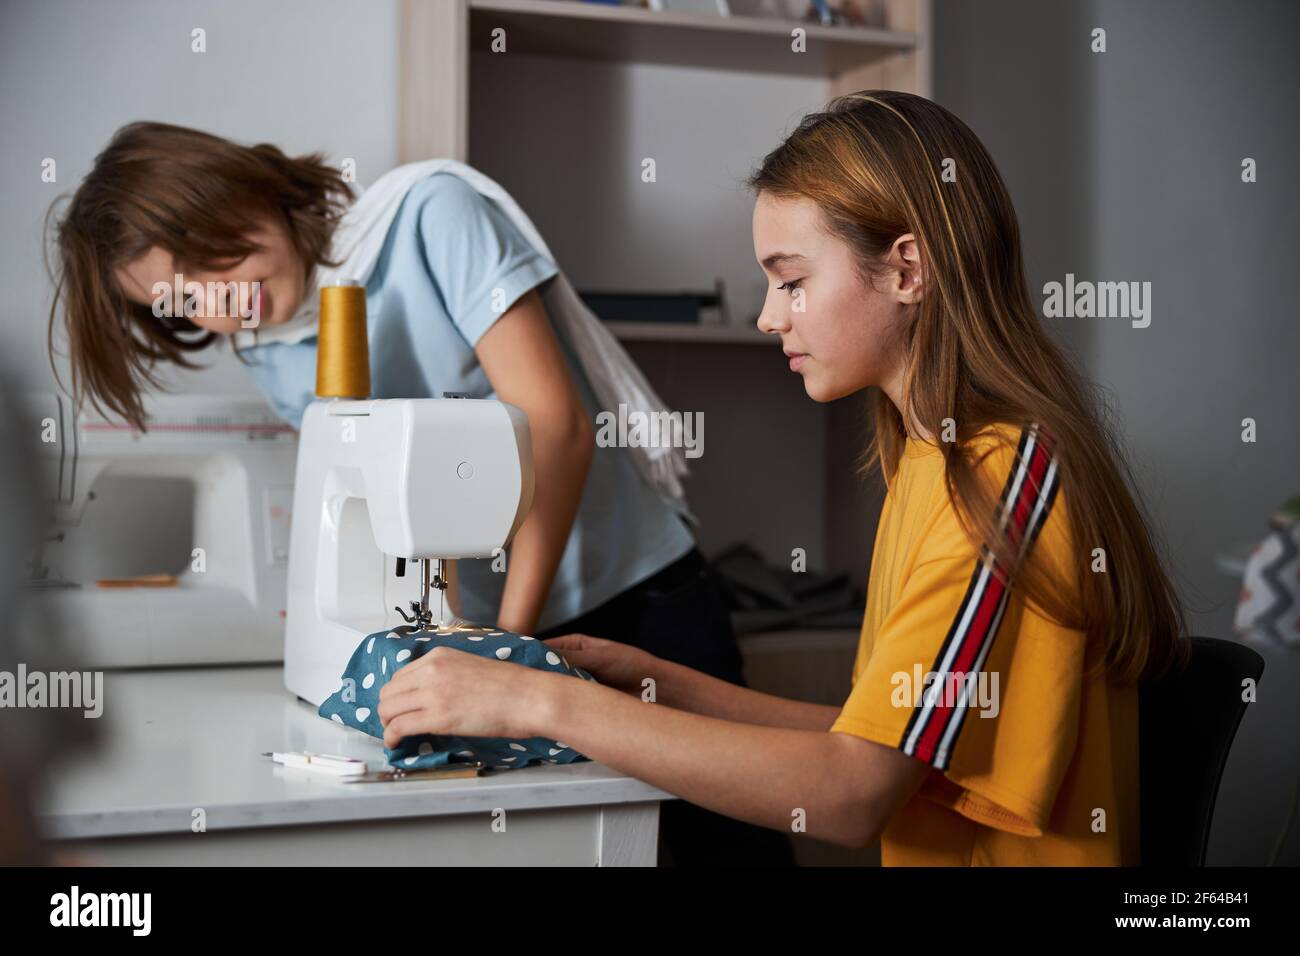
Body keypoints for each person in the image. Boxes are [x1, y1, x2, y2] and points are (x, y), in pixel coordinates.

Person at [375, 91, 1189, 866]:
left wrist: (539, 704)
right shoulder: (928, 463)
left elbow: (852, 793)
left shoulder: (1000, 481)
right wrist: (653, 684)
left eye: (792, 280)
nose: (769, 317)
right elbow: (876, 736)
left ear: (907, 269)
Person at [46, 123, 792, 866]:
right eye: (184, 299)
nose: (224, 301)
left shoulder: (433, 214)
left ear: (237, 192)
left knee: (720, 848)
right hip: (485, 639)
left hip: (633, 603)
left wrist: (508, 650)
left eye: (210, 257)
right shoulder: (267, 347)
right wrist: (472, 655)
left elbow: (558, 430)